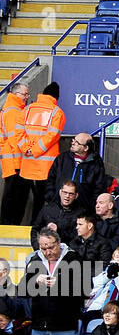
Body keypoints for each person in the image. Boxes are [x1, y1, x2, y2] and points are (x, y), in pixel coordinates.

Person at [7, 82, 65, 231]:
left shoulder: (26, 110)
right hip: (45, 166)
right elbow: (52, 135)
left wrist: (27, 148)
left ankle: (15, 226)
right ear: (55, 97)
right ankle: (35, 226)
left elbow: (18, 132)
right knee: (41, 199)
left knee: (21, 198)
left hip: (26, 163)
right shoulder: (56, 112)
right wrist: (36, 150)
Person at [25, 227, 82, 335]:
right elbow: (22, 291)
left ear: (59, 243)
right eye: (43, 248)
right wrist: (35, 280)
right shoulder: (34, 259)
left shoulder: (73, 258)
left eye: (51, 247)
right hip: (39, 325)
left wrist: (61, 283)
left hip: (64, 326)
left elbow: (84, 289)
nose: (48, 252)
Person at [0, 79, 29, 226]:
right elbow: (14, 138)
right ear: (16, 94)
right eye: (25, 94)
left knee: (14, 196)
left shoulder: (14, 108)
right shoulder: (12, 110)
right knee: (13, 196)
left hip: (13, 160)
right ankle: (8, 224)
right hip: (14, 161)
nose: (27, 97)